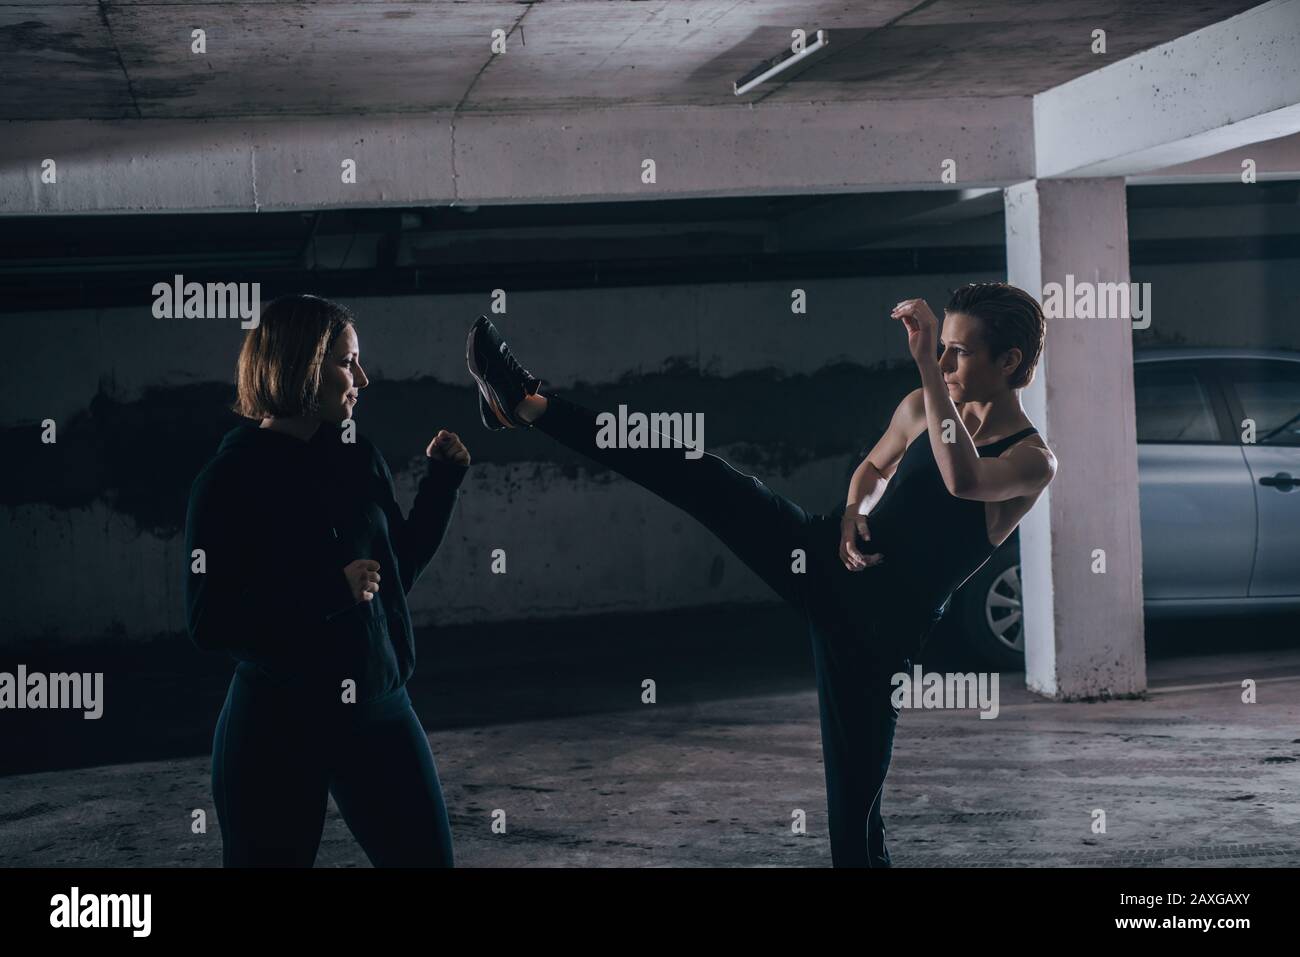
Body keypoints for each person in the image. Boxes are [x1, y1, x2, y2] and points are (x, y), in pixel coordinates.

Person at [465, 282, 1056, 867]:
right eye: (942, 348)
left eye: (960, 351)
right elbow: (873, 468)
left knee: (854, 804)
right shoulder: (917, 406)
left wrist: (927, 368)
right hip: (824, 557)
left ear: (1008, 361)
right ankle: (527, 404)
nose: (945, 361)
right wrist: (855, 508)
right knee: (702, 474)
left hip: (877, 633)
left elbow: (964, 480)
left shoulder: (1031, 459)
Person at [184, 294, 471, 867]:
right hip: (278, 724)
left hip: (378, 708)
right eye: (347, 362)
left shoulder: (356, 456)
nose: (362, 377)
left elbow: (392, 577)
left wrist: (443, 485)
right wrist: (327, 591)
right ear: (301, 367)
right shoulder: (230, 480)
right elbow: (210, 621)